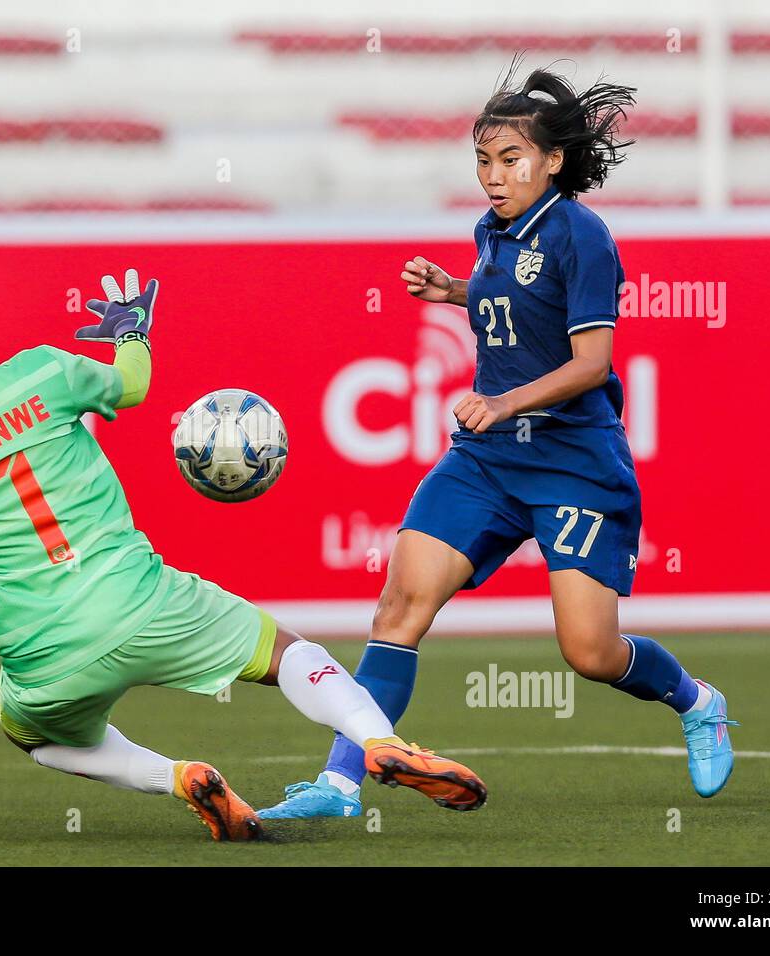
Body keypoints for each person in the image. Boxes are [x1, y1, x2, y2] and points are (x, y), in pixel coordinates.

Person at [0, 253, 488, 841]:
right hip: (145, 604)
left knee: (35, 736)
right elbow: (133, 385)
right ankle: (380, 741)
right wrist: (130, 331)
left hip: (44, 658)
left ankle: (181, 777)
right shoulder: (44, 371)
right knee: (289, 653)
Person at [260, 65, 735, 820]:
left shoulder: (583, 235)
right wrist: (453, 290)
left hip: (574, 464)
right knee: (397, 610)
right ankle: (340, 785)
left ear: (552, 161)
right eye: (483, 161)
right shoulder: (493, 230)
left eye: (510, 159)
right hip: (487, 461)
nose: (493, 176)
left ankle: (697, 701)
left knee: (590, 653)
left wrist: (502, 401)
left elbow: (592, 364)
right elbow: (513, 300)